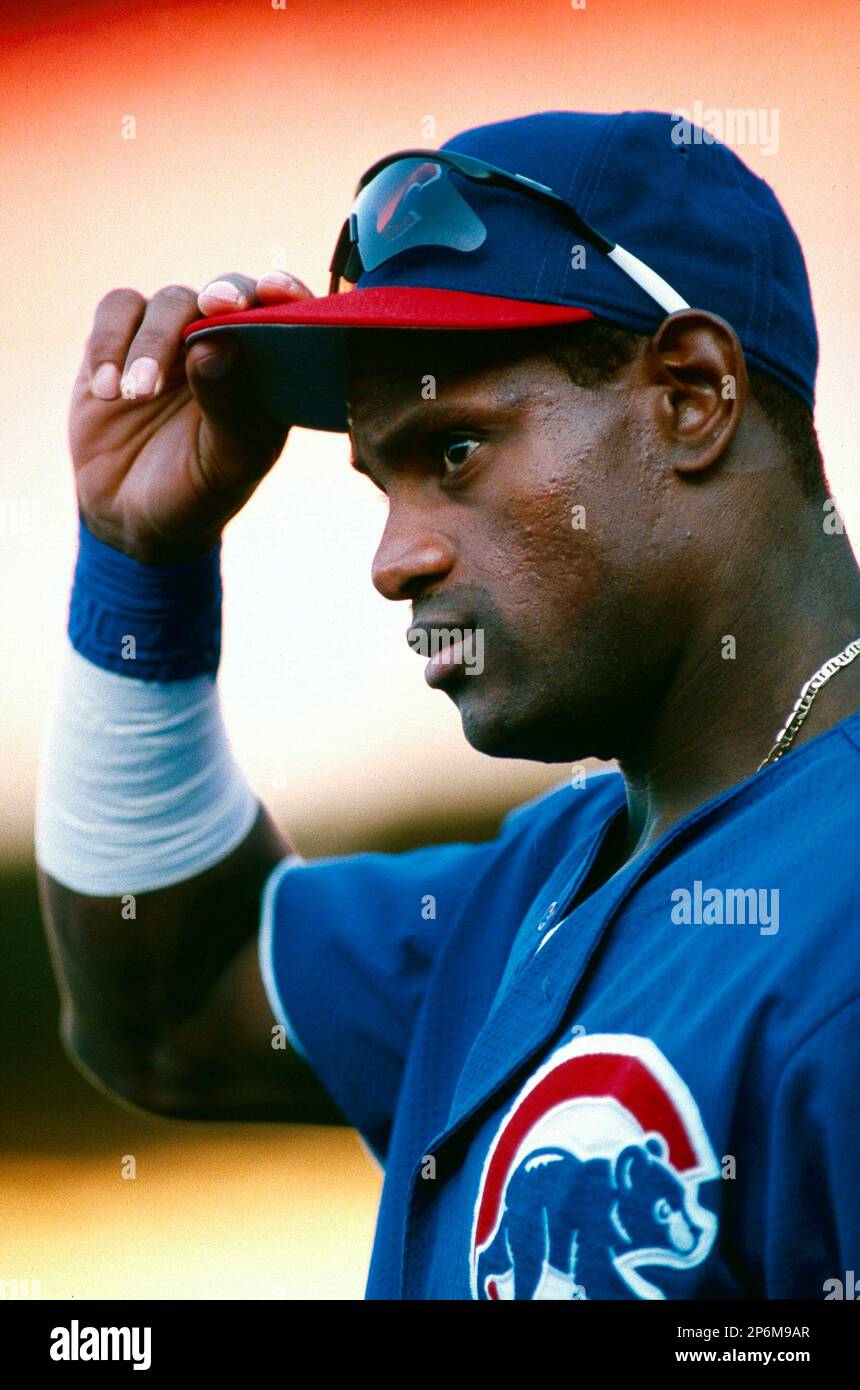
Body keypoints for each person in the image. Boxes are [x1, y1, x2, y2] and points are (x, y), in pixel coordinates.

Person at [35, 111, 860, 1300]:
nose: (393, 558)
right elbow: (170, 1006)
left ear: (690, 394)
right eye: (384, 479)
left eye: (457, 452)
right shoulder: (551, 873)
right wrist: (138, 567)